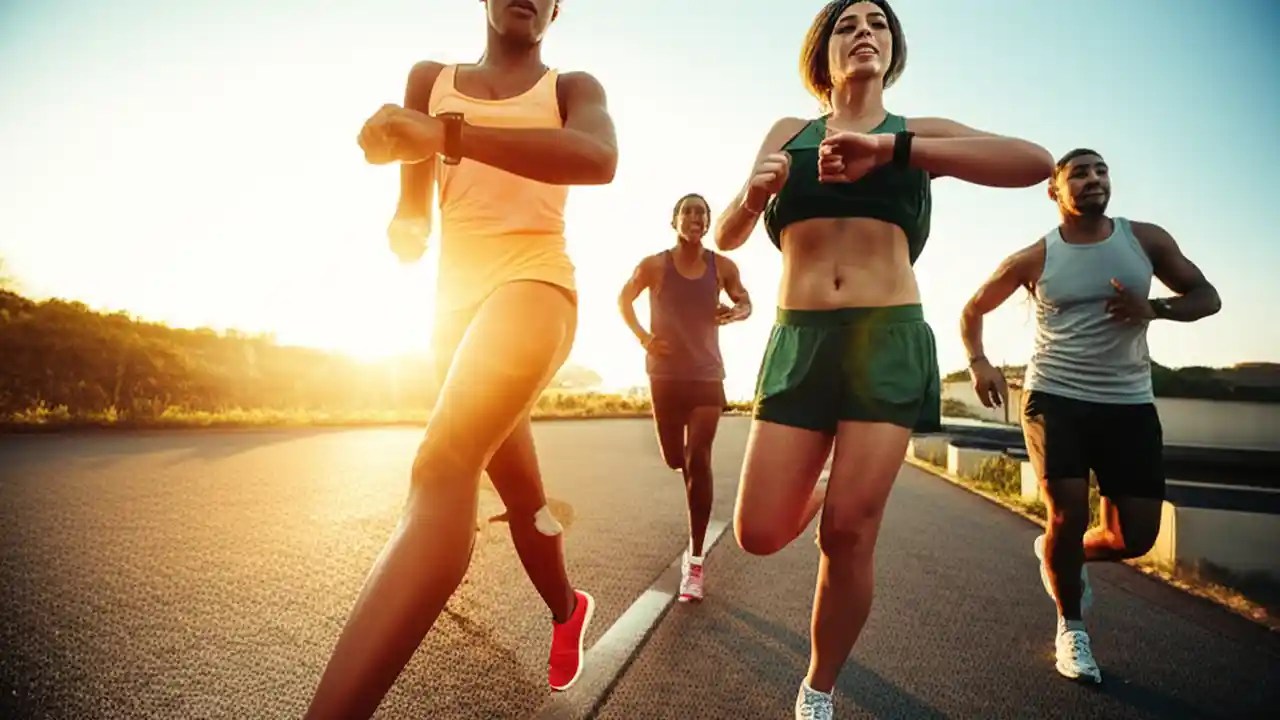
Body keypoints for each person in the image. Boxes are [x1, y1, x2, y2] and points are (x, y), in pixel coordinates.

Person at [711, 1, 1054, 717]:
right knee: (759, 532)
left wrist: (898, 153)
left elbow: (1034, 163)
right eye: (847, 23)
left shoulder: (914, 133)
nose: (864, 30)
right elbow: (728, 234)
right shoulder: (789, 131)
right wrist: (750, 197)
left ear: (891, 49)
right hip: (799, 340)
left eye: (878, 23)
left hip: (886, 336)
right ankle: (835, 480)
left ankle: (817, 687)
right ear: (823, 51)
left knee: (847, 533)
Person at [304, 1, 618, 717]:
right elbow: (413, 207)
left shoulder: (572, 88)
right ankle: (568, 609)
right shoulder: (429, 79)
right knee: (526, 502)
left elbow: (598, 159)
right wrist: (406, 227)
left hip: (535, 285)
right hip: (453, 317)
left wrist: (447, 134)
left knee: (442, 464)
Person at [960, 147, 1221, 684]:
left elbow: (1207, 296)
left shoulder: (1145, 240)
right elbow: (973, 309)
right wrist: (979, 362)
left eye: (1101, 170)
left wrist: (1157, 308)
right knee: (1067, 512)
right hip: (1055, 397)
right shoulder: (1035, 257)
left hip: (1128, 402)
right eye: (1078, 172)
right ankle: (1071, 629)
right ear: (1054, 191)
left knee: (1136, 538)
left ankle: (1060, 554)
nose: (1093, 179)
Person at [617, 192, 753, 602]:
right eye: (688, 211)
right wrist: (643, 337)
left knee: (698, 458)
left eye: (702, 212)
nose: (696, 217)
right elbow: (624, 299)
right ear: (674, 220)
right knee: (675, 458)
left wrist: (735, 312)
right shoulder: (654, 265)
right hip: (665, 376)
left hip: (707, 374)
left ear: (707, 223)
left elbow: (745, 301)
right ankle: (683, 468)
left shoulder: (722, 267)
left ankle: (694, 563)